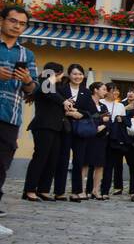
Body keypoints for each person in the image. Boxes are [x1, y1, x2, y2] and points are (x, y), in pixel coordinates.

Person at [0, 4, 37, 228]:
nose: (17, 26)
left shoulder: (27, 54)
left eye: (22, 24)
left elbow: (33, 90)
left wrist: (26, 81)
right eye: (13, 21)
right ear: (3, 20)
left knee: (1, 164)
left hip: (9, 116)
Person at [23, 61, 64, 202]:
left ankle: (43, 190)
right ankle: (29, 190)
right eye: (61, 73)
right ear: (57, 73)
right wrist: (64, 102)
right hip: (43, 126)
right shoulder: (44, 84)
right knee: (40, 158)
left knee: (52, 160)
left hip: (56, 127)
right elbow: (46, 91)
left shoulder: (56, 87)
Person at [57, 64, 94, 201]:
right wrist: (67, 112)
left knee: (79, 161)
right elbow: (56, 107)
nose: (77, 77)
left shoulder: (86, 92)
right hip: (64, 128)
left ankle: (76, 191)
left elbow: (91, 112)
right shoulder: (61, 90)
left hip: (80, 129)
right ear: (69, 75)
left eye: (80, 74)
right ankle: (59, 191)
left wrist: (79, 113)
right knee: (63, 159)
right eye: (74, 74)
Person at [78, 81, 112, 200]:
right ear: (96, 90)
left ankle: (95, 190)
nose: (105, 92)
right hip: (88, 137)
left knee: (99, 165)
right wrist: (98, 123)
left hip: (101, 139)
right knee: (85, 164)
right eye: (103, 89)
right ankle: (81, 190)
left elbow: (109, 121)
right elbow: (85, 116)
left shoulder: (103, 106)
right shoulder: (87, 103)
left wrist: (104, 126)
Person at [100, 85, 130, 196]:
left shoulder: (120, 105)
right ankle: (90, 189)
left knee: (109, 165)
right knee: (95, 164)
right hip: (100, 135)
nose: (116, 93)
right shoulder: (100, 102)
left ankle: (105, 191)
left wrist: (120, 119)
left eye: (117, 90)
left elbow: (124, 122)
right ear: (107, 92)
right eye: (113, 91)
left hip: (113, 137)